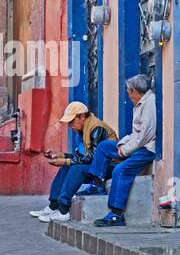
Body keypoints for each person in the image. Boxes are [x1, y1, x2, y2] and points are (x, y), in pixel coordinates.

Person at [77, 74, 156, 227]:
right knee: (104, 146)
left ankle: (116, 214)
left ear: (134, 91)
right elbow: (136, 134)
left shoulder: (149, 104)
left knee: (120, 170)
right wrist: (122, 144)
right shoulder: (141, 103)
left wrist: (125, 151)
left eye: (128, 92)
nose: (128, 95)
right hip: (137, 145)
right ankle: (97, 184)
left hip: (146, 149)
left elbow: (145, 136)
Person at [29, 101, 114, 223]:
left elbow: (92, 158)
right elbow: (81, 156)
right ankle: (54, 205)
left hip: (108, 167)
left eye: (72, 121)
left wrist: (66, 161)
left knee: (76, 168)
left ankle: (63, 210)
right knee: (66, 167)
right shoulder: (83, 130)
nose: (70, 126)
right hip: (96, 166)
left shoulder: (97, 128)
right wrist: (60, 155)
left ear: (82, 116)